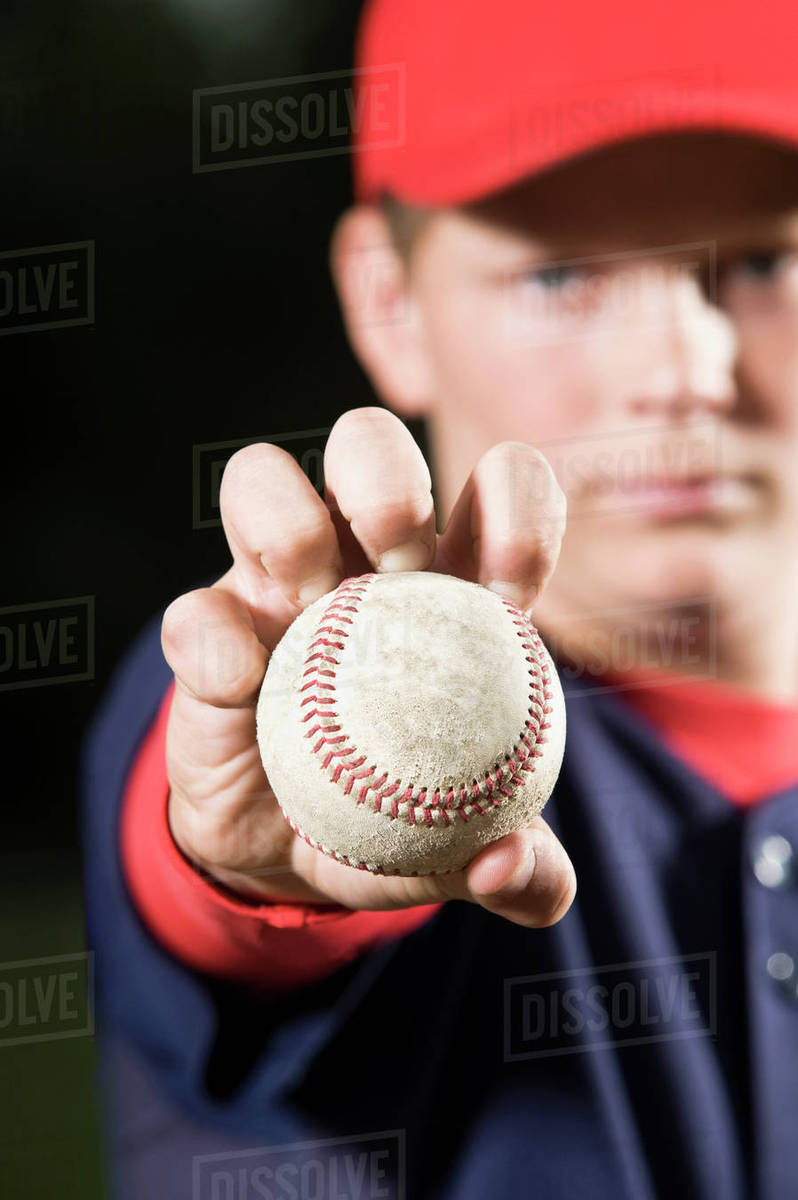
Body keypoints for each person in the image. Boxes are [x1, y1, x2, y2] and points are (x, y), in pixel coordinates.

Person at [82, 0, 798, 1196]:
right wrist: (253, 874)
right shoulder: (276, 692)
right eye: (561, 274)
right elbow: (205, 859)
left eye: (770, 260)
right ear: (388, 302)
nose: (685, 369)